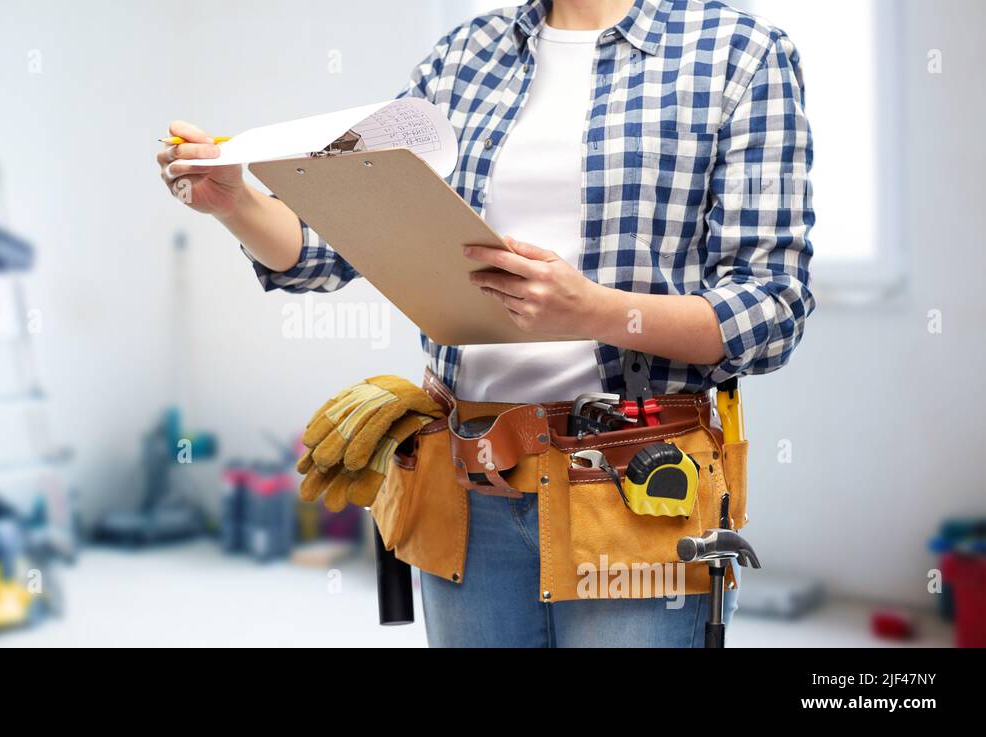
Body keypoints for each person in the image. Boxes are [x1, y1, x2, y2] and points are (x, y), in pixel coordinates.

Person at [155, 0, 814, 647]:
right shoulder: (464, 57)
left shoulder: (739, 53)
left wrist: (592, 311)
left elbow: (771, 308)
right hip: (469, 483)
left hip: (631, 491)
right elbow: (328, 250)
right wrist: (235, 201)